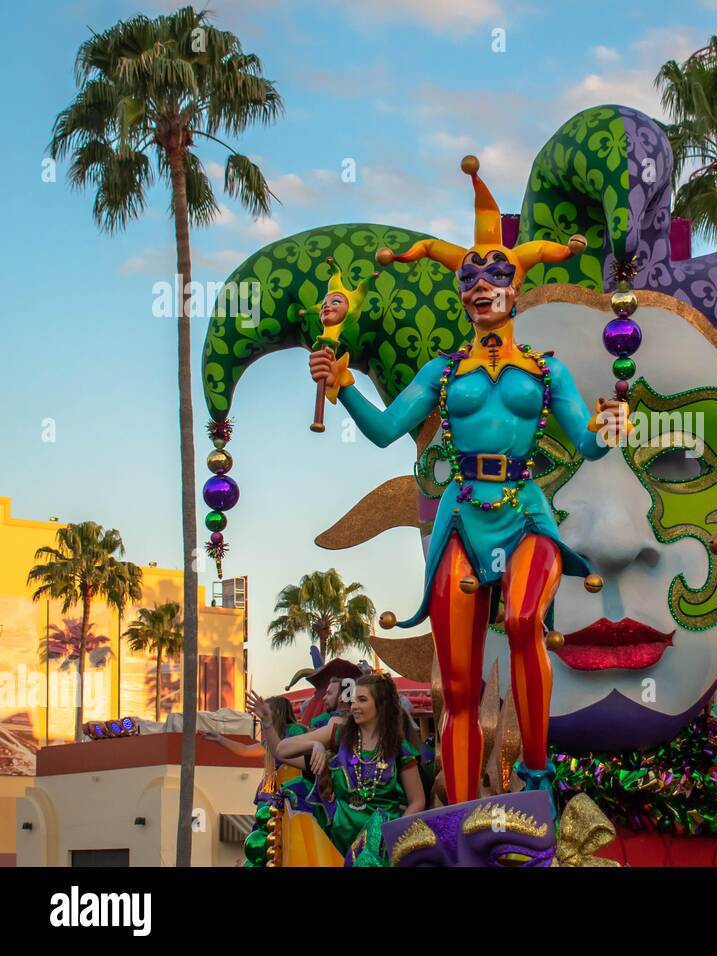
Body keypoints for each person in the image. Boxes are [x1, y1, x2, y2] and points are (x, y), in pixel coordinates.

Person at [308, 155, 623, 808]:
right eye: (469, 278)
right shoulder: (442, 372)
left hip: (523, 508)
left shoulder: (546, 372)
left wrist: (611, 425)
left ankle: (536, 772)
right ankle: (459, 809)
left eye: (494, 274)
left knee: (525, 615)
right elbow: (386, 428)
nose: (480, 286)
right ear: (463, 295)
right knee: (456, 682)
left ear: (515, 288)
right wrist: (340, 387)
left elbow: (589, 443)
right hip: (461, 515)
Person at [277, 673, 425, 864]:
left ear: (381, 705)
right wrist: (316, 746)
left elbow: (417, 801)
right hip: (336, 846)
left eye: (362, 700)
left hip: (381, 851)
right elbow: (282, 749)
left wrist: (392, 836)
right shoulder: (338, 734)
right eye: (353, 700)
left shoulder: (400, 749)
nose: (354, 706)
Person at [207, 691, 313, 808]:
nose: (260, 717)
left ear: (277, 712)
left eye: (264, 712)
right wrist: (220, 739)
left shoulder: (295, 730)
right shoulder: (271, 741)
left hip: (296, 786)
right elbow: (245, 750)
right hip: (277, 785)